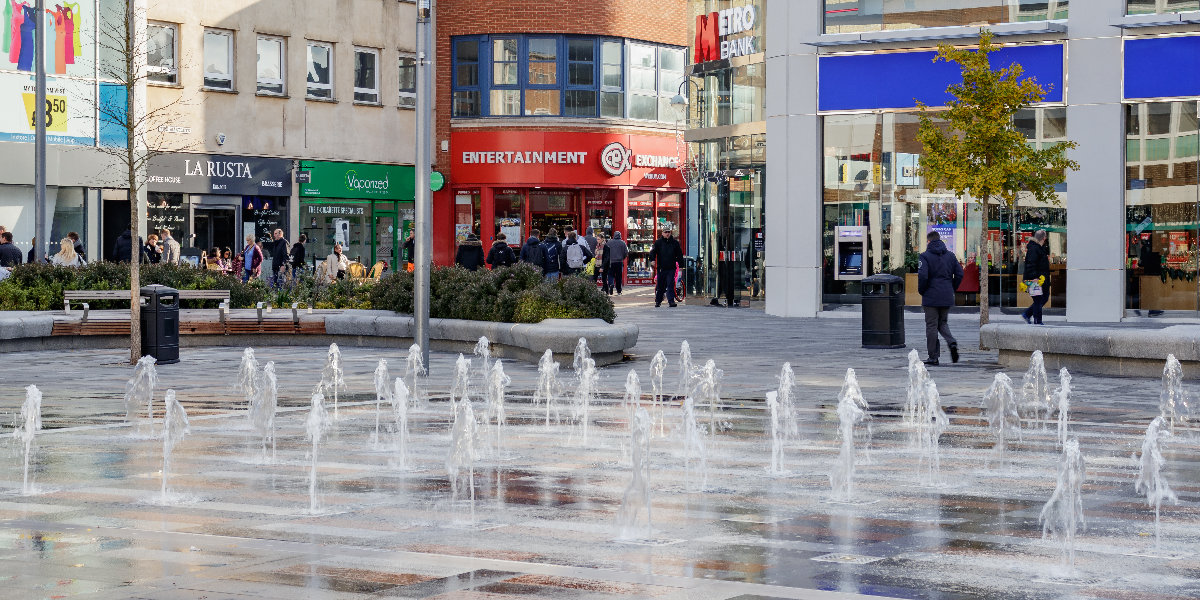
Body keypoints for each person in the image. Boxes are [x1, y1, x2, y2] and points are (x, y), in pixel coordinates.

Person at [917, 231, 964, 366]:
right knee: (942, 323)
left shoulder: (924, 256)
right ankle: (951, 342)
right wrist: (951, 287)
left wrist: (922, 290)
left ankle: (933, 357)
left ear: (929, 241)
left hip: (931, 296)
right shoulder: (950, 255)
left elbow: (923, 276)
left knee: (931, 326)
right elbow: (960, 274)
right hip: (946, 294)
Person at [1021, 229, 1051, 325]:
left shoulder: (1038, 247)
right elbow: (1030, 264)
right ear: (1044, 238)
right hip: (1035, 279)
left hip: (1041, 279)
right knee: (1038, 299)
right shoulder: (1034, 248)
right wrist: (1034, 277)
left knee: (1044, 297)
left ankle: (1027, 314)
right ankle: (1038, 321)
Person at [649, 227, 685, 307]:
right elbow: (653, 252)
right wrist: (652, 260)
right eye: (665, 232)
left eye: (668, 232)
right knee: (660, 285)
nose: (667, 233)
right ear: (662, 233)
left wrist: (681, 265)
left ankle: (671, 301)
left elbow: (679, 254)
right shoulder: (658, 242)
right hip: (661, 268)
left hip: (671, 267)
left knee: (670, 285)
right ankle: (658, 301)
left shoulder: (675, 243)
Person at [605, 231, 628, 295]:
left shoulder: (609, 242)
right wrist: (622, 258)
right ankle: (619, 290)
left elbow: (605, 252)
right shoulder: (623, 243)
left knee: (610, 274)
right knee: (618, 276)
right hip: (619, 262)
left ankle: (611, 284)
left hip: (611, 262)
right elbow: (626, 253)